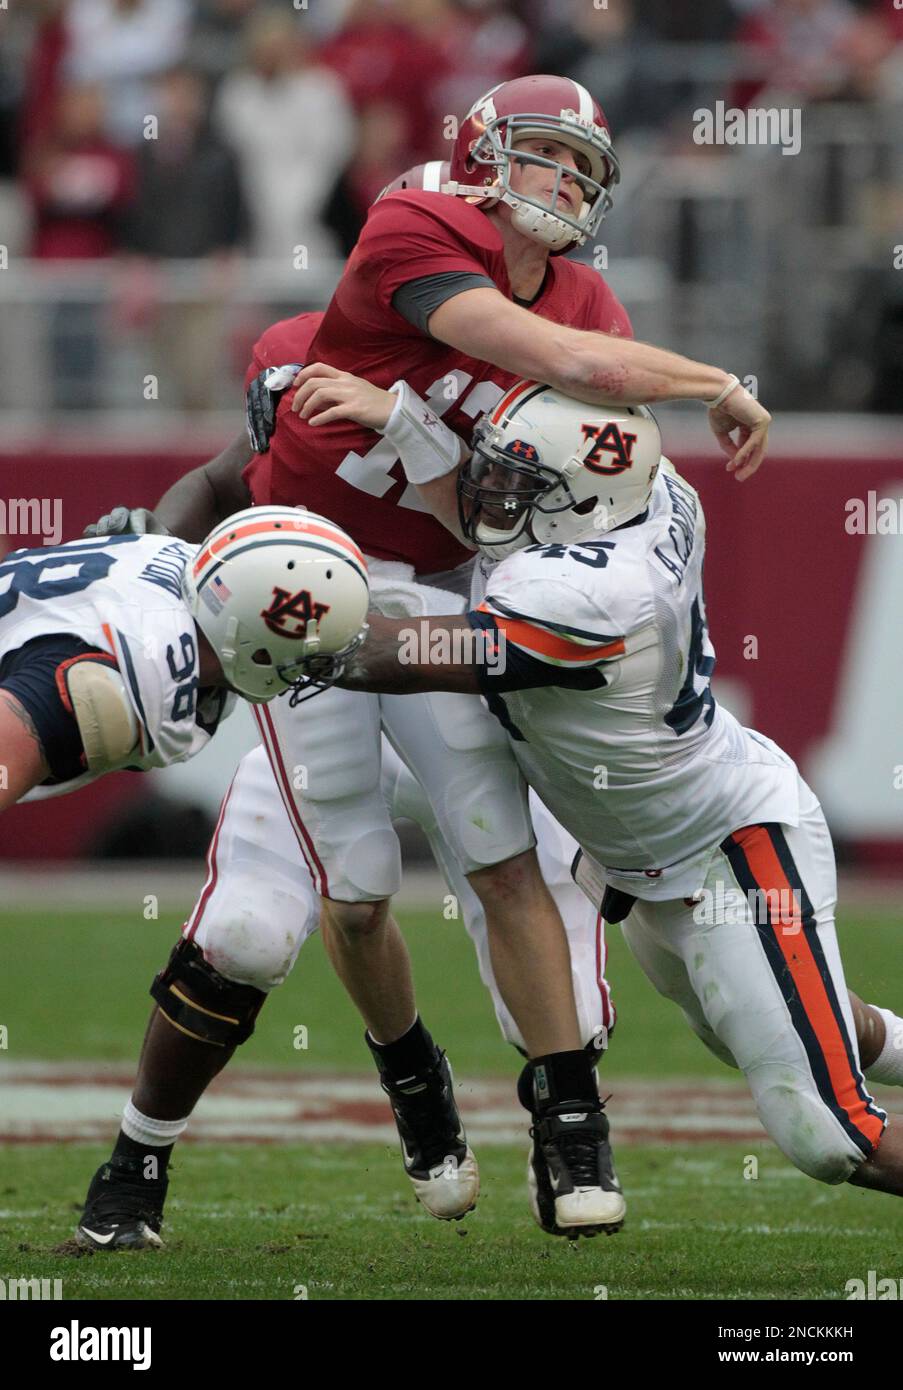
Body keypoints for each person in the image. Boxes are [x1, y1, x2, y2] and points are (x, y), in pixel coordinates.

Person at [79, 74, 771, 1248]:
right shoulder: (329, 323)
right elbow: (225, 482)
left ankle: (570, 1123)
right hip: (312, 596)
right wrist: (153, 563)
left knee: (503, 858)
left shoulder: (568, 314)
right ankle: (404, 1082)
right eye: (542, 157)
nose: (563, 184)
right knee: (336, 902)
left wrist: (410, 430)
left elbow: (518, 495)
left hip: (453, 593)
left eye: (577, 166)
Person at [288, 367, 903, 1211]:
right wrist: (400, 417)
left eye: (518, 480)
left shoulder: (587, 593)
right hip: (645, 852)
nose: (491, 492)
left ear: (578, 501)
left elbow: (413, 652)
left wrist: (278, 626)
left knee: (828, 1133)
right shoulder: (642, 494)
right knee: (782, 1030)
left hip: (730, 854)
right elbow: (500, 506)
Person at [0, 507, 368, 812]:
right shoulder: (125, 676)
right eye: (312, 658)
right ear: (258, 650)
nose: (316, 670)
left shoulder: (189, 566)